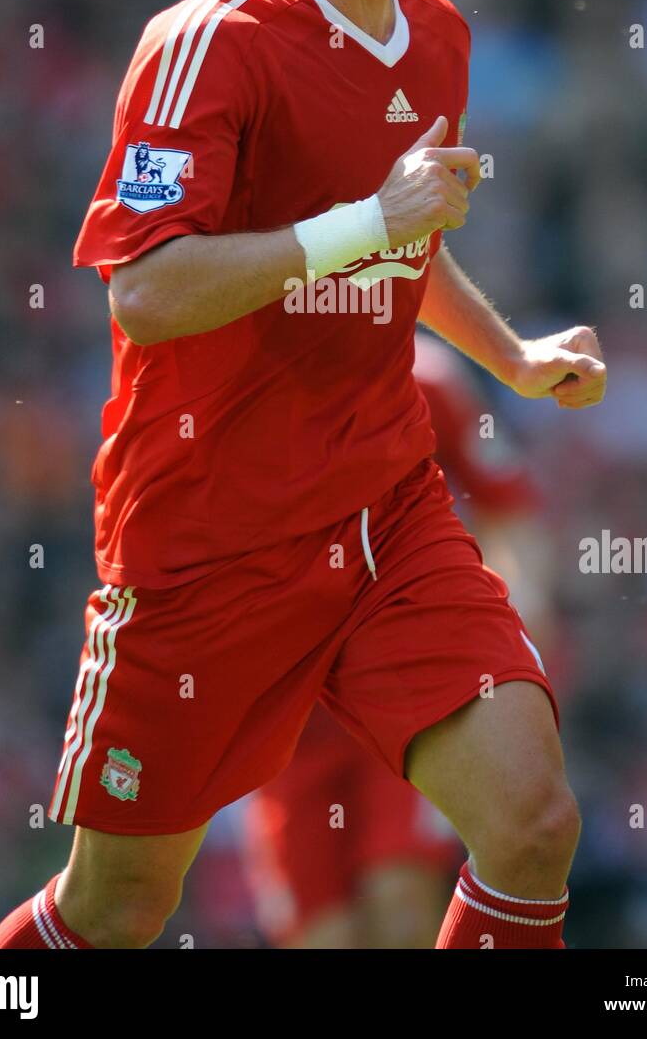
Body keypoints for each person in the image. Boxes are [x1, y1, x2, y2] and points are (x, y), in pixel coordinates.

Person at [0, 0, 605, 952]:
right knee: (118, 906)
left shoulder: (435, 37)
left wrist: (510, 355)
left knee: (533, 821)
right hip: (207, 544)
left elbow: (402, 247)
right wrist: (369, 221)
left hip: (384, 515)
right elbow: (146, 288)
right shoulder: (208, 42)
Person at [242, 331, 546, 949]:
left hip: (404, 691)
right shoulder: (237, 391)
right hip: (292, 715)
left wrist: (517, 629)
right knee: (323, 937)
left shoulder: (426, 381)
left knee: (402, 907)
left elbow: (509, 512)